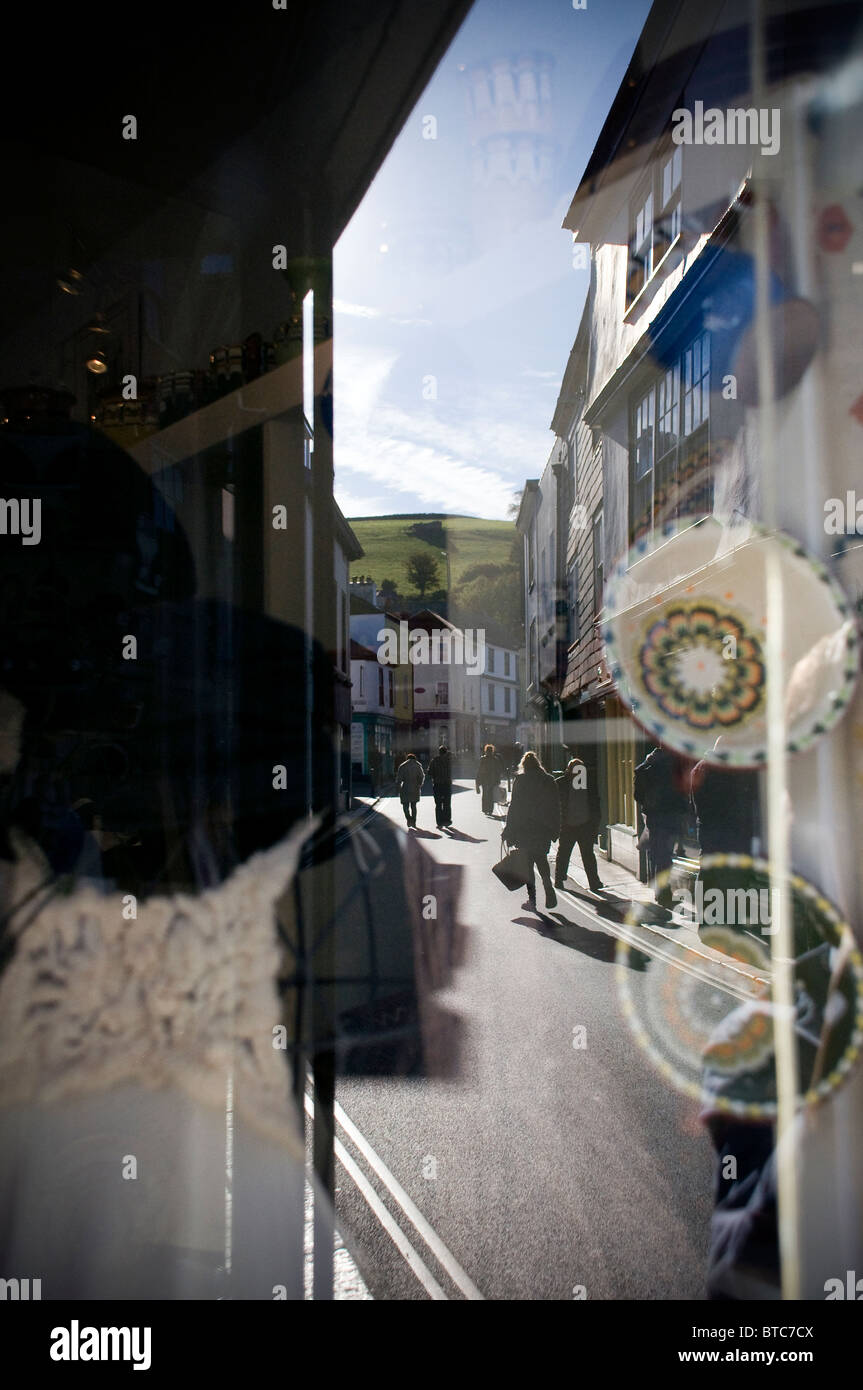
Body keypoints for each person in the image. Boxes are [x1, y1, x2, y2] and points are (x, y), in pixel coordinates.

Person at [633, 744, 690, 908]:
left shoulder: (646, 767)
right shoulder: (675, 765)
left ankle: (659, 891)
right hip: (671, 815)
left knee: (657, 854)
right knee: (665, 856)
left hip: (653, 816)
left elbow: (638, 795)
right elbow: (683, 791)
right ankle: (664, 895)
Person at [504, 751, 560, 912]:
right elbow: (556, 806)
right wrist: (555, 829)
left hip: (524, 829)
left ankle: (532, 899)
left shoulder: (520, 780)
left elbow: (514, 807)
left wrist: (508, 830)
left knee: (528, 865)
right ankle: (549, 887)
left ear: (524, 766)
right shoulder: (549, 780)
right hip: (542, 828)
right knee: (541, 859)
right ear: (538, 764)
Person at [554, 756, 603, 893]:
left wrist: (594, 822)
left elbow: (595, 804)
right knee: (568, 854)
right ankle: (560, 879)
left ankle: (593, 882)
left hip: (583, 824)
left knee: (577, 854)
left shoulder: (586, 783)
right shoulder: (562, 783)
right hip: (570, 824)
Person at [396, 751, 425, 828]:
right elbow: (422, 776)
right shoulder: (418, 765)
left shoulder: (402, 766)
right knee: (413, 806)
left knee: (405, 806)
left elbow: (399, 779)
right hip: (415, 788)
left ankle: (409, 819)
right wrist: (419, 784)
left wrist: (398, 788)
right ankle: (414, 821)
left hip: (405, 788)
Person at [428, 743, 453, 828]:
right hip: (447, 784)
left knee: (438, 804)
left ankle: (439, 821)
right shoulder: (449, 760)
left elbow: (430, 772)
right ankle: (447, 820)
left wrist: (434, 775)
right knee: (447, 803)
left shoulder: (434, 760)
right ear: (446, 752)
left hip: (437, 784)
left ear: (439, 752)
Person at [476, 743, 504, 814]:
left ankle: (485, 809)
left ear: (486, 751)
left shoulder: (483, 759)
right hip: (492, 780)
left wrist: (477, 783)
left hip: (484, 780)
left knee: (485, 794)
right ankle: (490, 809)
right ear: (492, 751)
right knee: (491, 795)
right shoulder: (495, 759)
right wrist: (498, 780)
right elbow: (498, 771)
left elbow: (479, 771)